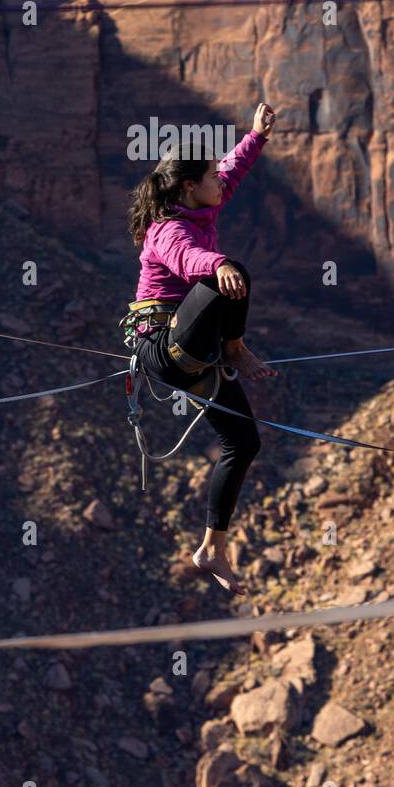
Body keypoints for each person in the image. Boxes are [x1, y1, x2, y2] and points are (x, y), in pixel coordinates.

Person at [123, 105, 278, 594]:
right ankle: (234, 348)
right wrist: (219, 265)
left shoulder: (201, 202)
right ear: (190, 186)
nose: (219, 181)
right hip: (161, 345)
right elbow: (188, 258)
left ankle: (212, 547)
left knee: (244, 442)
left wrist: (255, 136)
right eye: (209, 176)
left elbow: (229, 172)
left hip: (191, 347)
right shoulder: (168, 228)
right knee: (229, 276)